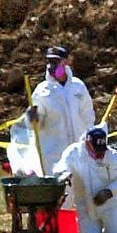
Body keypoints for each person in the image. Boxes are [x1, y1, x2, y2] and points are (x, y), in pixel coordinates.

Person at [18, 46, 97, 174]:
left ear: (65, 62)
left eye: (56, 61)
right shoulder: (42, 91)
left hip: (78, 150)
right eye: (49, 62)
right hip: (54, 155)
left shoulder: (78, 87)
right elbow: (34, 125)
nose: (51, 66)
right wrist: (32, 118)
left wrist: (89, 140)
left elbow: (88, 116)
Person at [52, 126, 117, 233]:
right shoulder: (74, 153)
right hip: (86, 205)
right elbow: (61, 168)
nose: (100, 154)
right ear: (87, 143)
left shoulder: (112, 156)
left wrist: (109, 192)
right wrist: (65, 175)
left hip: (111, 206)